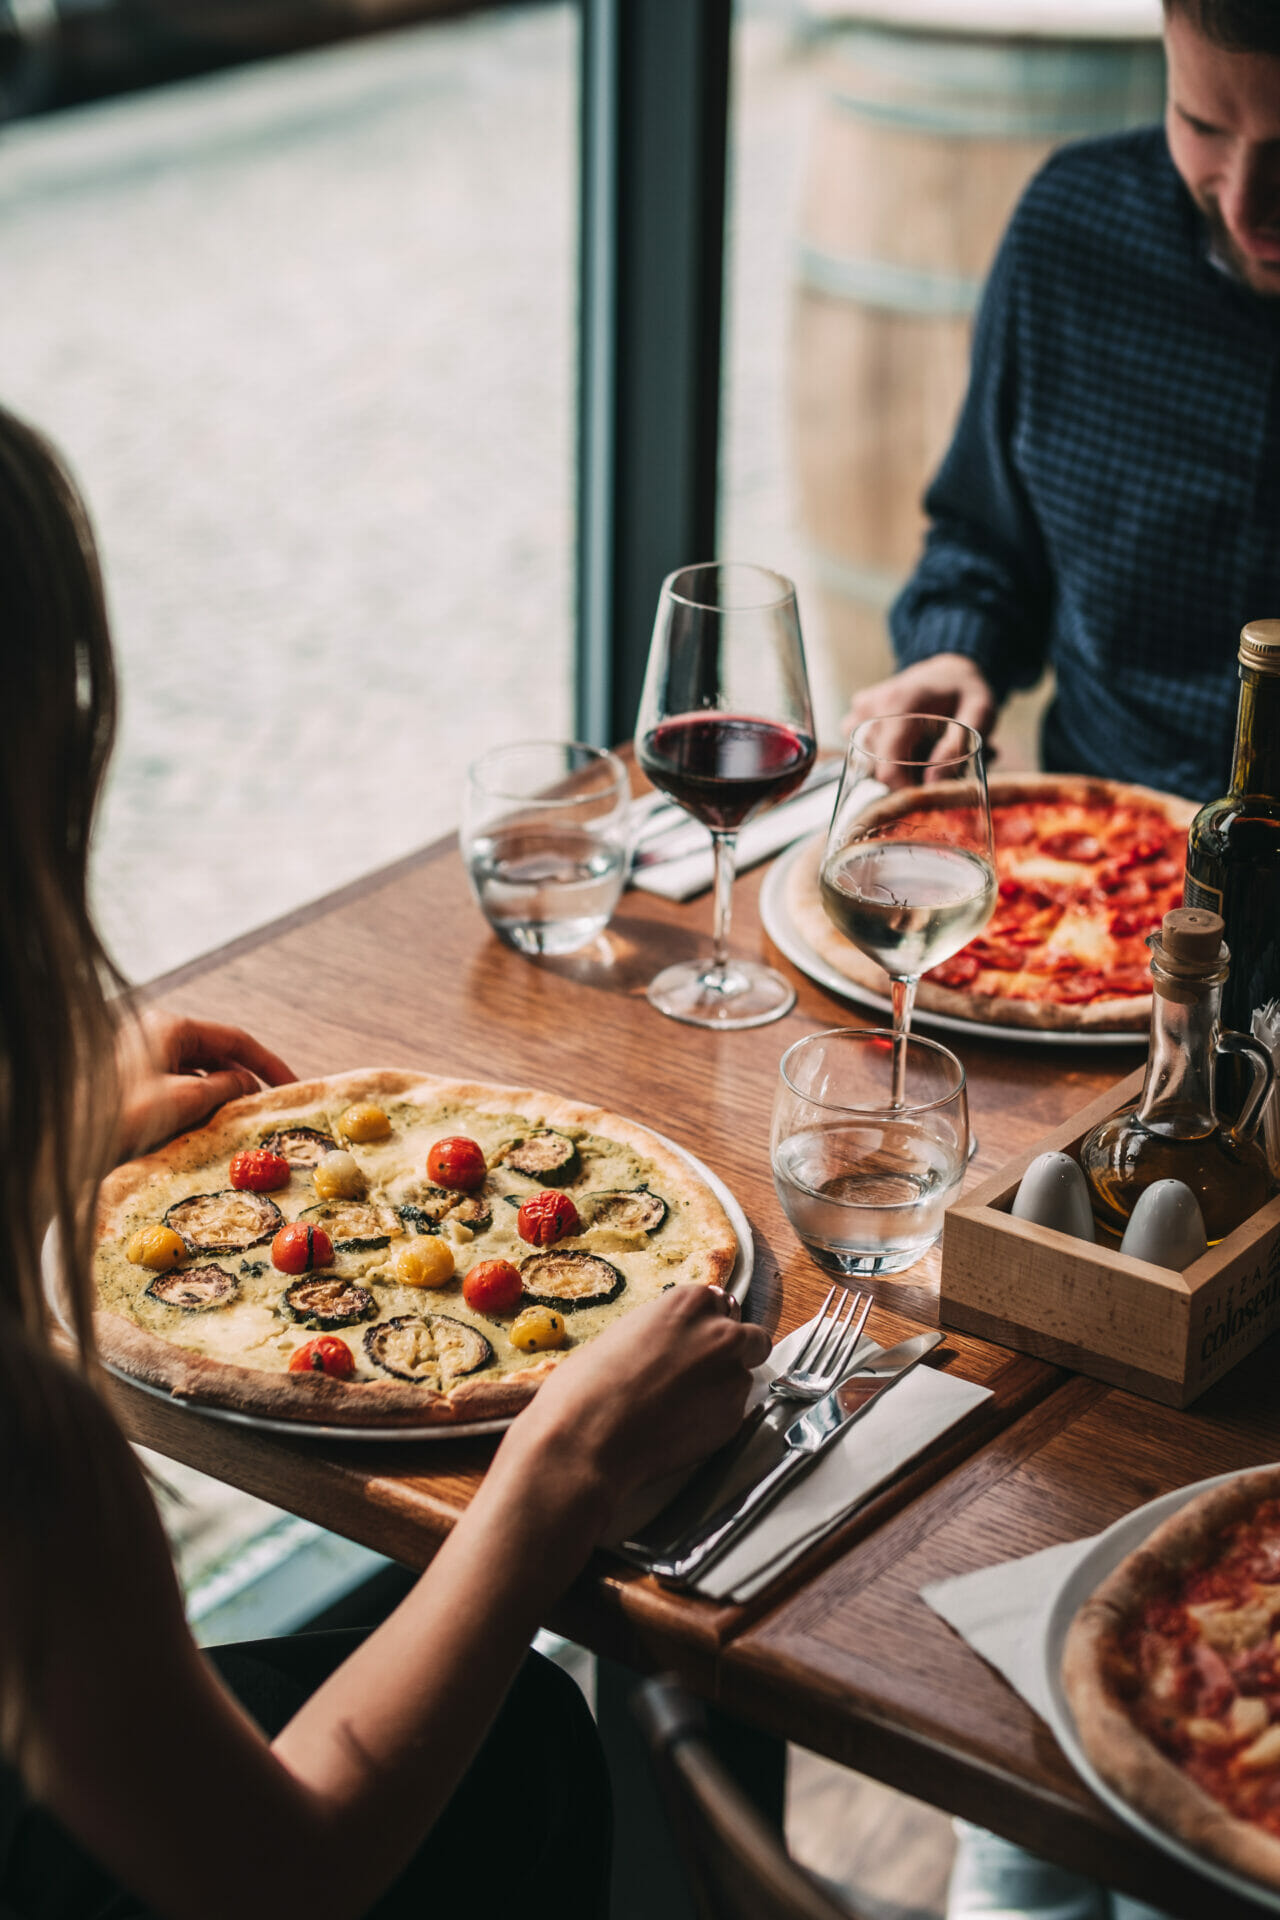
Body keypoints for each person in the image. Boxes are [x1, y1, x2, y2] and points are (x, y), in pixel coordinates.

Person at [0, 400, 772, 1920]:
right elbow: (279, 1876)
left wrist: (40, 1143)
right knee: (530, 1750)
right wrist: (553, 1473)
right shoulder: (30, 1446)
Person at [845, 0, 1280, 805]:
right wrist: (958, 651)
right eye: (1202, 125)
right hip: (1097, 838)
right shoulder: (1072, 230)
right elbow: (986, 539)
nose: (1245, 206)